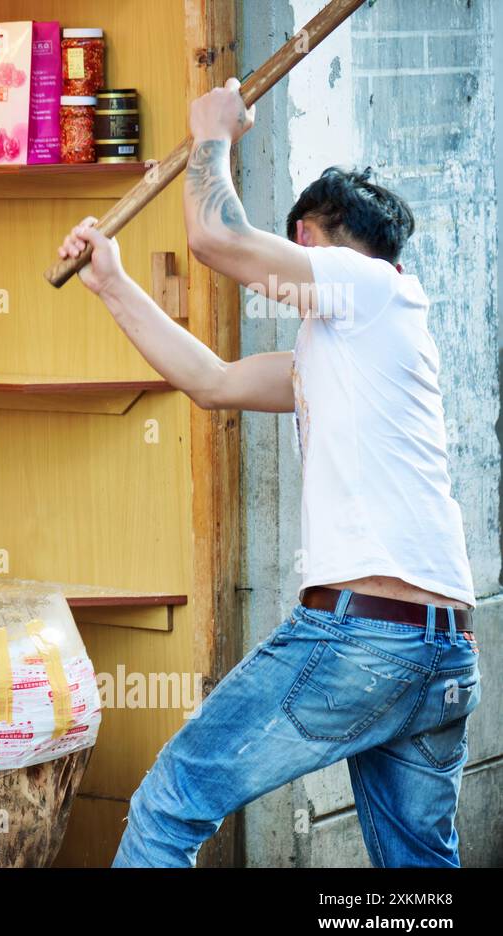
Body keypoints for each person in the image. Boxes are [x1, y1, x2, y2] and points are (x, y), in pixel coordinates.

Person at [58, 78, 481, 867]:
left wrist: (212, 132)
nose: (290, 265)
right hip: (440, 655)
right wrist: (112, 281)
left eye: (297, 246)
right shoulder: (351, 349)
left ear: (309, 241)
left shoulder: (361, 288)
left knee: (170, 801)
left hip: (365, 638)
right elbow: (212, 380)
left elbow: (218, 240)